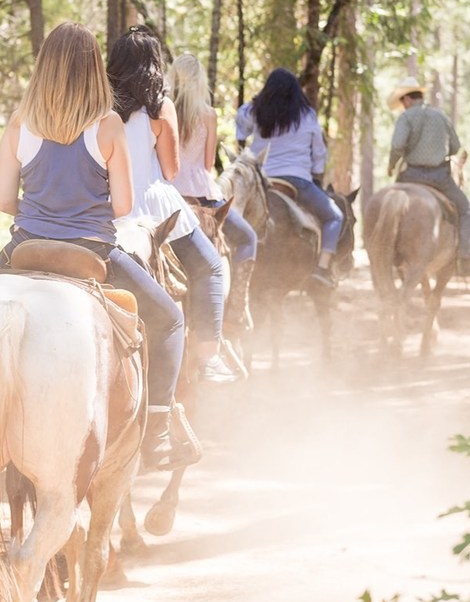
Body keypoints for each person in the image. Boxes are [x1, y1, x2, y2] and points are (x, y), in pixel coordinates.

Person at [0, 21, 201, 470]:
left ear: (44, 66)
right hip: (93, 252)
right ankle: (158, 431)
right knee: (169, 319)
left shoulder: (20, 123)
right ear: (93, 69)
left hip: (25, 246)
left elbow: (4, 201)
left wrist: (43, 211)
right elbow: (123, 206)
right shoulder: (107, 126)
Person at [105, 27, 235, 385]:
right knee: (211, 267)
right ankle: (209, 358)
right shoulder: (159, 107)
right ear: (154, 65)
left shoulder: (99, 107)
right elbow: (171, 170)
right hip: (152, 207)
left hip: (108, 207)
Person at [167, 53, 259, 343]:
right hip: (202, 195)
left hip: (169, 197)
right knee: (248, 238)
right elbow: (207, 166)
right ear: (200, 81)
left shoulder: (163, 110)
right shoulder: (208, 115)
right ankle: (237, 310)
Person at [245, 68, 345, 289]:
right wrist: (316, 172)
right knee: (335, 216)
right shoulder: (307, 116)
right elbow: (319, 154)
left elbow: (241, 128)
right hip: (297, 182)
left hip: (260, 181)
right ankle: (322, 269)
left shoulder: (255, 111)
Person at [386, 82, 470, 277]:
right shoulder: (441, 116)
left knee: (389, 210)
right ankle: (466, 256)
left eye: (402, 102)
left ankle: (387, 253)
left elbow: (397, 145)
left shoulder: (406, 117)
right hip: (440, 177)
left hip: (411, 176)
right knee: (466, 211)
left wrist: (392, 165)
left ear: (407, 99)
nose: (403, 106)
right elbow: (455, 147)